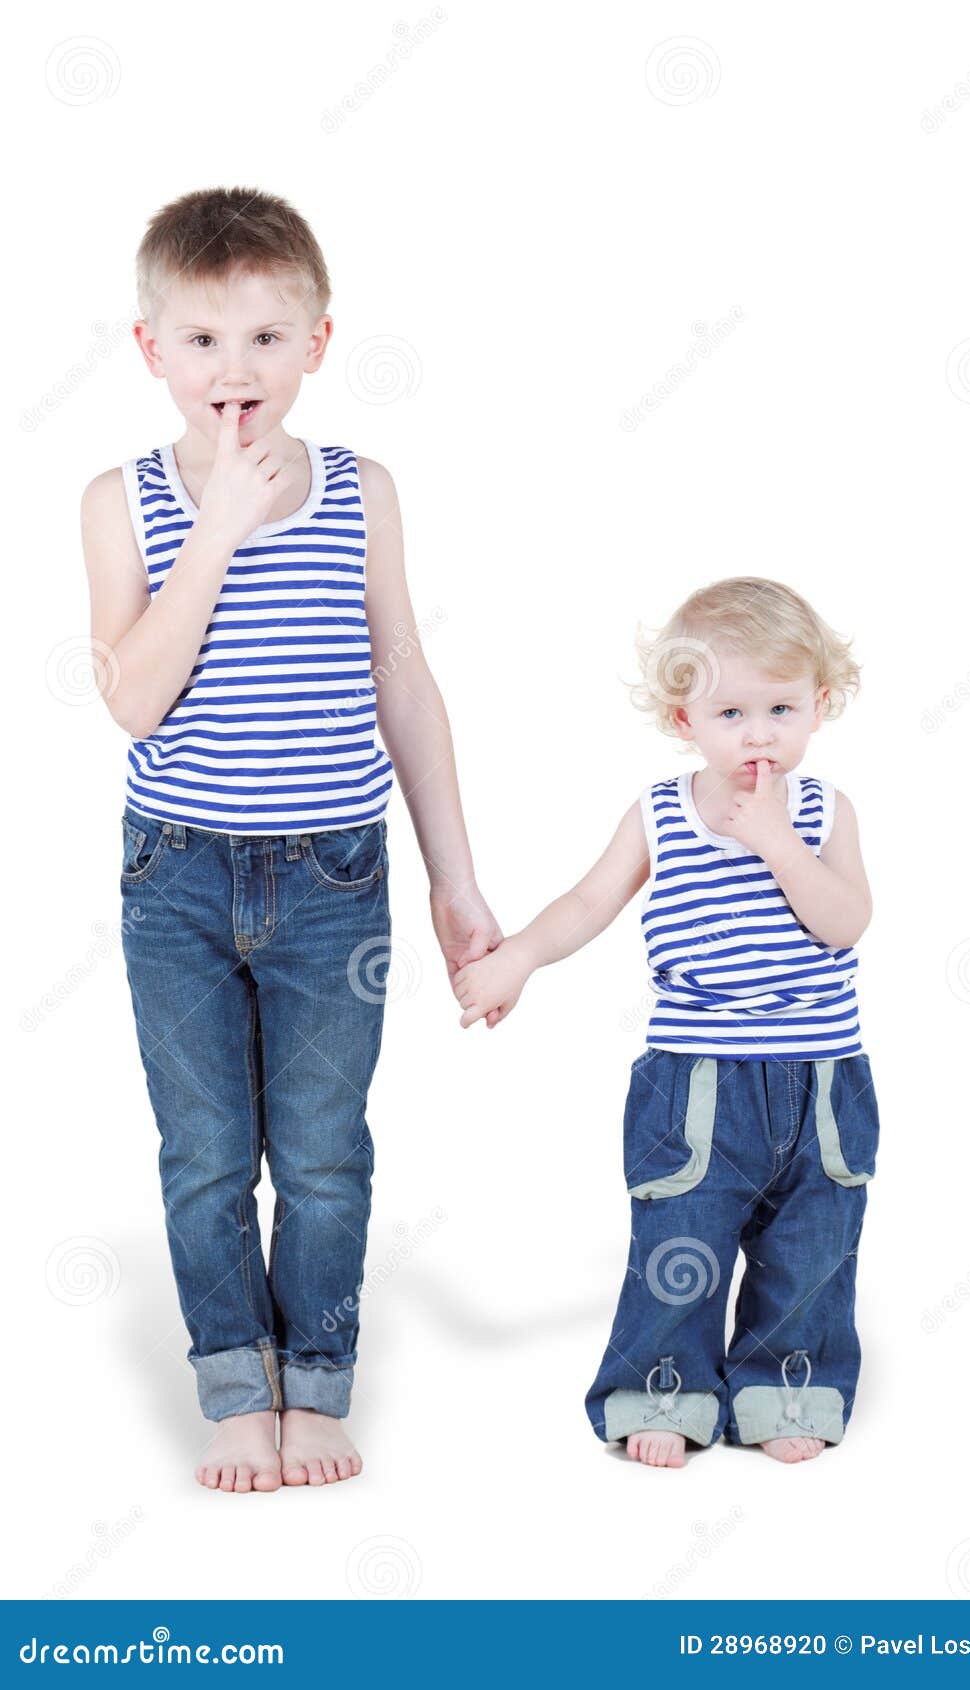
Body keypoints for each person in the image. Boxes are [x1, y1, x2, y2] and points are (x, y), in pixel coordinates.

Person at [81, 186, 501, 1493]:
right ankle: (232, 1384)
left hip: (333, 875)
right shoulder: (121, 501)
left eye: (267, 337)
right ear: (150, 348)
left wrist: (454, 879)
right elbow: (133, 699)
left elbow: (404, 684)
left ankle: (313, 1381)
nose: (235, 371)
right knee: (207, 1152)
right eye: (202, 340)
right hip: (178, 875)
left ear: (317, 342)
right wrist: (213, 531)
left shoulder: (360, 491)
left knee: (321, 1152)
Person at [452, 577, 880, 1466]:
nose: (757, 734)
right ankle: (662, 1389)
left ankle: (785, 1391)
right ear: (685, 720)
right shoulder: (660, 811)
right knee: (679, 1241)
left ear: (819, 705)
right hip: (696, 1082)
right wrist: (519, 957)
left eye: (780, 708)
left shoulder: (823, 811)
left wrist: (777, 842)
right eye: (730, 713)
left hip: (821, 1083)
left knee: (811, 1248)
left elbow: (844, 922)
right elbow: (586, 902)